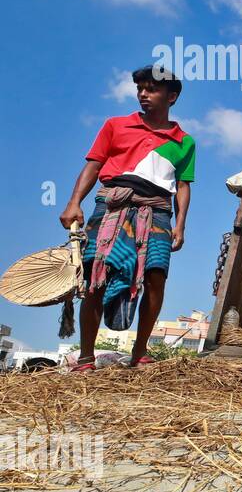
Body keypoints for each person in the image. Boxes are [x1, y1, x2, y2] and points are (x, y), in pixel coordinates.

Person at [59, 67, 195, 371]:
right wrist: (73, 203)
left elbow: (183, 186)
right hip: (111, 205)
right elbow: (94, 167)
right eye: (140, 89)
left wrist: (181, 224)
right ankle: (85, 357)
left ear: (171, 97)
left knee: (156, 277)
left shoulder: (185, 142)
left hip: (158, 209)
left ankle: (140, 351)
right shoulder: (115, 125)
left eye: (152, 90)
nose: (143, 95)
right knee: (95, 277)